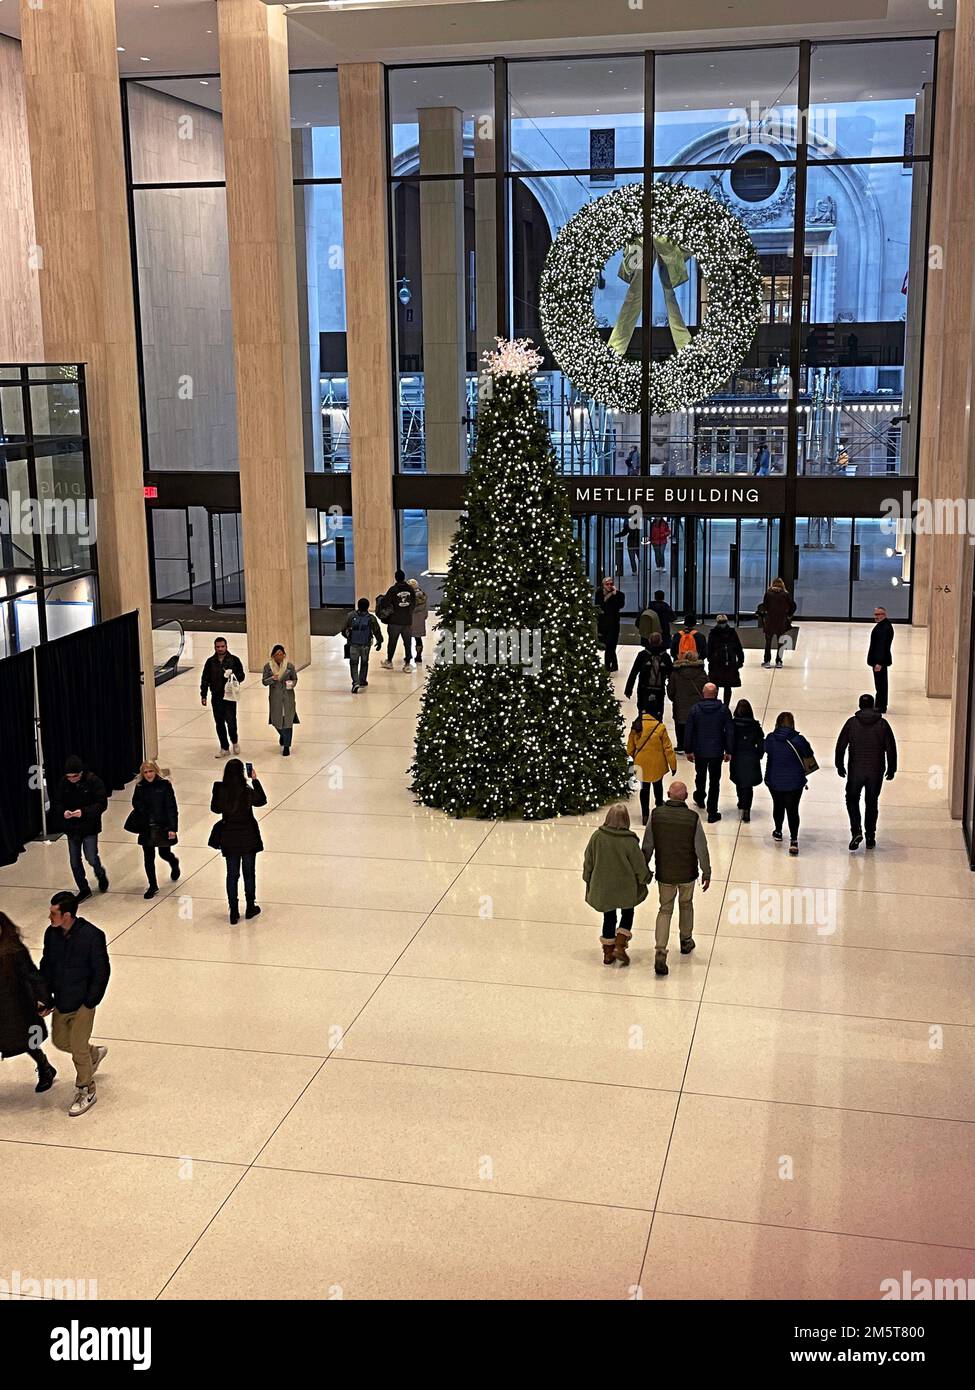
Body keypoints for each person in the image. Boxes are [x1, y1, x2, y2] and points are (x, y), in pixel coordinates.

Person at [39, 891, 110, 1118]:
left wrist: (91, 1001)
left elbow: (102, 971)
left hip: (83, 1003)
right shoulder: (51, 935)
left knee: (77, 1047)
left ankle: (85, 1089)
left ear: (67, 915)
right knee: (60, 1041)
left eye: (53, 913)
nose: (49, 917)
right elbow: (46, 966)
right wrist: (45, 998)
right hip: (62, 999)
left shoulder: (92, 936)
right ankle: (93, 1054)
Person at [641, 781, 712, 977]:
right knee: (686, 904)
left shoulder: (656, 815)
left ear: (667, 794)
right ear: (686, 796)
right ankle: (686, 941)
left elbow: (647, 846)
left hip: (665, 873)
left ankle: (660, 951)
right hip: (687, 873)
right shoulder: (692, 818)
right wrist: (706, 871)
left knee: (665, 909)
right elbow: (701, 849)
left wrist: (643, 869)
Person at [582, 803, 650, 967]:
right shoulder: (629, 842)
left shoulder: (597, 837)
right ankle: (620, 944)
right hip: (626, 888)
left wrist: (588, 879)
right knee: (628, 913)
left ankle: (607, 952)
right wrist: (646, 878)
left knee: (609, 917)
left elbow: (588, 861)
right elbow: (639, 865)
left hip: (604, 888)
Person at [0, 912, 56, 1094]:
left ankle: (45, 1067)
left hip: (16, 1006)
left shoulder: (14, 951)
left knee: (28, 1043)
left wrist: (44, 999)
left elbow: (32, 975)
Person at [835, 694, 898, 851]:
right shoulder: (882, 724)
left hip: (856, 770)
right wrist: (892, 768)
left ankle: (856, 831)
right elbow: (891, 748)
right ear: (874, 705)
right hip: (876, 771)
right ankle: (870, 835)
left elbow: (841, 745)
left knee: (852, 799)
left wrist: (839, 765)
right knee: (871, 802)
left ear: (859, 705)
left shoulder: (852, 723)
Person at [210, 759, 268, 925]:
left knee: (232, 875)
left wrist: (218, 791)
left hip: (229, 836)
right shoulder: (246, 790)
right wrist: (255, 780)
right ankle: (250, 907)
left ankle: (233, 911)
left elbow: (215, 809)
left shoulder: (221, 790)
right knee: (249, 873)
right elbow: (262, 800)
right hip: (248, 835)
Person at [53, 755, 109, 904]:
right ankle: (84, 888)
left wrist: (84, 812)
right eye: (69, 776)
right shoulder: (63, 783)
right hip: (72, 828)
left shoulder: (93, 781)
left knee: (91, 856)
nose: (72, 779)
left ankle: (100, 873)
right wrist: (63, 812)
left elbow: (102, 803)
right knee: (74, 861)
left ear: (81, 773)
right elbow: (57, 802)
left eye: (75, 776)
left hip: (89, 827)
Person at [124, 760, 180, 899]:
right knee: (148, 858)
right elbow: (136, 803)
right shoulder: (140, 786)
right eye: (146, 772)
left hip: (162, 826)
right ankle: (153, 885)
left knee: (164, 853)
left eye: (151, 771)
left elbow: (171, 808)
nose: (149, 774)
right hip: (146, 827)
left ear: (156, 771)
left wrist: (172, 828)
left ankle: (174, 862)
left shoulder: (165, 785)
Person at [764, 711, 815, 855]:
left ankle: (778, 831)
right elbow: (808, 754)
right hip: (795, 780)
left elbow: (766, 750)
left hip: (774, 778)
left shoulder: (771, 738)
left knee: (778, 805)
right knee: (793, 810)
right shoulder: (799, 740)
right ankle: (793, 840)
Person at [685, 682, 734, 823]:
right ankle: (712, 812)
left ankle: (700, 797)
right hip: (716, 751)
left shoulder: (695, 710)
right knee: (714, 781)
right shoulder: (724, 710)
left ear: (703, 692)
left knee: (700, 775)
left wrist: (688, 749)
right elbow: (729, 731)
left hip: (700, 750)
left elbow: (689, 731)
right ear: (717, 693)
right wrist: (728, 750)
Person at [627, 711, 677, 826]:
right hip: (657, 764)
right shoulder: (660, 727)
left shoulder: (636, 726)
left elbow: (630, 747)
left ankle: (645, 815)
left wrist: (631, 760)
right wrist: (673, 765)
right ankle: (659, 808)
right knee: (658, 786)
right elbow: (668, 748)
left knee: (644, 789)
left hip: (641, 763)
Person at [200, 636, 245, 758]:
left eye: (222, 646)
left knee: (231, 721)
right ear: (215, 647)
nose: (220, 649)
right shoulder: (210, 662)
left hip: (230, 696)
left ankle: (234, 741)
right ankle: (224, 747)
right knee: (219, 722)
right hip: (216, 696)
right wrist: (203, 694)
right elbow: (205, 679)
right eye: (218, 647)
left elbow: (242, 676)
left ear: (226, 646)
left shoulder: (234, 660)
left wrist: (233, 675)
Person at [730, 698, 765, 823]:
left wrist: (729, 752)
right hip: (751, 756)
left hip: (737, 756)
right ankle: (747, 808)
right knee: (748, 785)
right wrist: (759, 754)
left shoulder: (733, 724)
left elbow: (729, 740)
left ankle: (741, 801)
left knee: (739, 781)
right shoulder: (755, 726)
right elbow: (761, 743)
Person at [668, 651, 708, 754]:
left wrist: (675, 699)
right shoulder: (702, 673)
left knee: (680, 725)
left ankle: (681, 745)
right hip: (697, 706)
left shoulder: (676, 673)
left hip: (680, 704)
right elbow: (706, 689)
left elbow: (671, 691)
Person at [262, 645, 299, 756]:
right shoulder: (268, 667)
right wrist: (272, 679)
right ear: (273, 655)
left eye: (281, 654)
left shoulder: (289, 666)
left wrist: (292, 684)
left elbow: (295, 678)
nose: (279, 656)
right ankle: (282, 735)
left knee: (288, 722)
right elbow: (264, 682)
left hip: (288, 697)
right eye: (277, 654)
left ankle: (287, 746)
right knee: (276, 721)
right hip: (275, 698)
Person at [625, 632, 673, 718]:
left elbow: (634, 672)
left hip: (643, 690)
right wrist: (673, 693)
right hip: (659, 690)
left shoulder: (642, 655)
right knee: (658, 716)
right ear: (661, 641)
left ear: (649, 641)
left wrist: (628, 690)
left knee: (642, 715)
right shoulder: (665, 656)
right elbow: (671, 676)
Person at [342, 598, 383, 693]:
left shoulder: (351, 616)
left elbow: (343, 630)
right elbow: (377, 630)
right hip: (365, 645)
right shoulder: (371, 618)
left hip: (353, 644)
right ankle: (362, 680)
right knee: (364, 663)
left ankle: (355, 683)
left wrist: (349, 639)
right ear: (368, 607)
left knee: (353, 664)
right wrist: (380, 641)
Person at [380, 569, 417, 670]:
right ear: (404, 577)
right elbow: (414, 603)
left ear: (395, 578)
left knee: (392, 642)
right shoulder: (410, 589)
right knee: (407, 643)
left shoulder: (393, 590)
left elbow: (385, 603)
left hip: (394, 621)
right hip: (407, 621)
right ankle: (408, 664)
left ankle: (389, 661)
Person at [707, 614, 745, 705]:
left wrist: (740, 661)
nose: (722, 624)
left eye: (723, 622)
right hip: (722, 663)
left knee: (724, 686)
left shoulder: (728, 633)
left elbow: (738, 648)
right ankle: (719, 705)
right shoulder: (715, 633)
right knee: (719, 687)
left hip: (725, 664)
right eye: (721, 622)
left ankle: (723, 705)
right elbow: (709, 649)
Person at [758, 579, 796, 668]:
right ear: (782, 585)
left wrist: (763, 614)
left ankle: (767, 661)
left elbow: (764, 606)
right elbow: (793, 605)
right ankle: (779, 661)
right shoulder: (785, 595)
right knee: (780, 642)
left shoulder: (768, 594)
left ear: (773, 584)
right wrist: (789, 615)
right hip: (781, 621)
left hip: (770, 621)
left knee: (768, 642)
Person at [594, 577, 625, 672]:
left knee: (611, 644)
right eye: (607, 584)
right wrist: (610, 594)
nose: (609, 586)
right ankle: (614, 664)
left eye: (611, 584)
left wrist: (614, 595)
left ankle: (607, 665)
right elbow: (600, 605)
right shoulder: (599, 594)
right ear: (603, 585)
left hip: (614, 623)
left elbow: (620, 605)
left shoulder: (619, 595)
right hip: (603, 623)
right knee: (607, 645)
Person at [867, 606, 894, 714]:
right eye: (875, 614)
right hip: (879, 661)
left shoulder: (885, 628)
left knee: (881, 684)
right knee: (880, 684)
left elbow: (882, 647)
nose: (876, 617)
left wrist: (879, 663)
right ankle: (880, 704)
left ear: (884, 615)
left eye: (878, 615)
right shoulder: (883, 626)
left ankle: (881, 706)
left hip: (880, 662)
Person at [408, 578, 429, 662]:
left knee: (407, 640)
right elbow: (425, 614)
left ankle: (408, 655)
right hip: (420, 622)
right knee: (418, 639)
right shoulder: (423, 596)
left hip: (409, 622)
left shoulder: (409, 598)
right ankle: (419, 655)